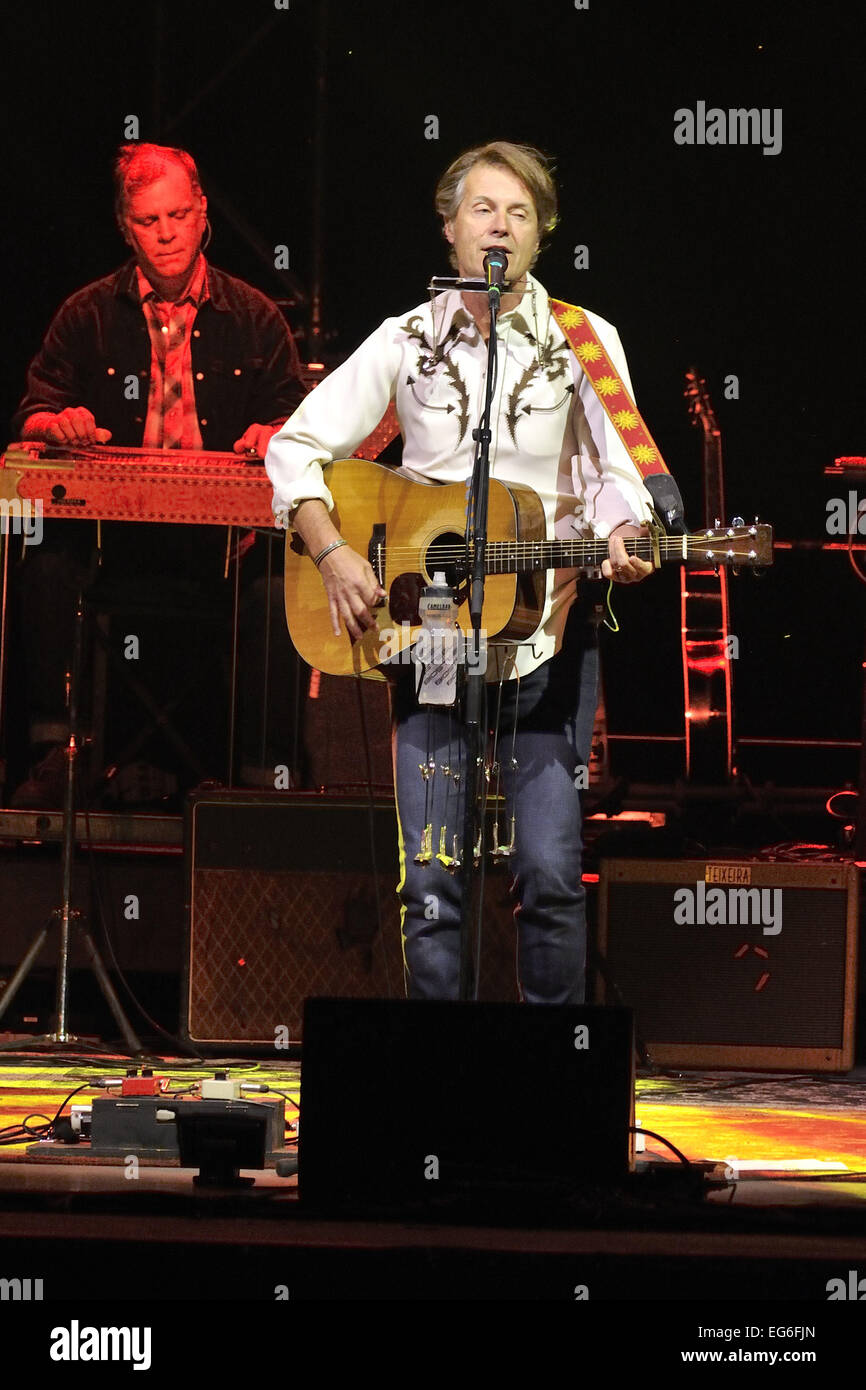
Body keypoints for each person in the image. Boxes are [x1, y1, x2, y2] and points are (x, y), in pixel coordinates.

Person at [265, 140, 655, 1003]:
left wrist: (626, 529)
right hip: (434, 625)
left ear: (541, 236)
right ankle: (436, 1086)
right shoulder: (406, 338)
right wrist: (331, 550)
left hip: (547, 629)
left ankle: (551, 1084)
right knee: (432, 882)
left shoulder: (585, 342)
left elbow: (621, 476)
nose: (501, 226)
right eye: (484, 209)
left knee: (550, 876)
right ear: (450, 230)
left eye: (520, 213)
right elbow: (293, 447)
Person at [9, 142, 307, 806]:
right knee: (44, 557)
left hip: (225, 553)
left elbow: (301, 424)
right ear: (124, 225)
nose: (167, 233)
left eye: (178, 215)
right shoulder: (86, 314)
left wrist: (277, 434)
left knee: (282, 584)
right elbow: (32, 411)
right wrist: (56, 425)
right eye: (149, 221)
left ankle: (264, 780)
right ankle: (59, 754)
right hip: (112, 544)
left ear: (203, 213)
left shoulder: (255, 318)